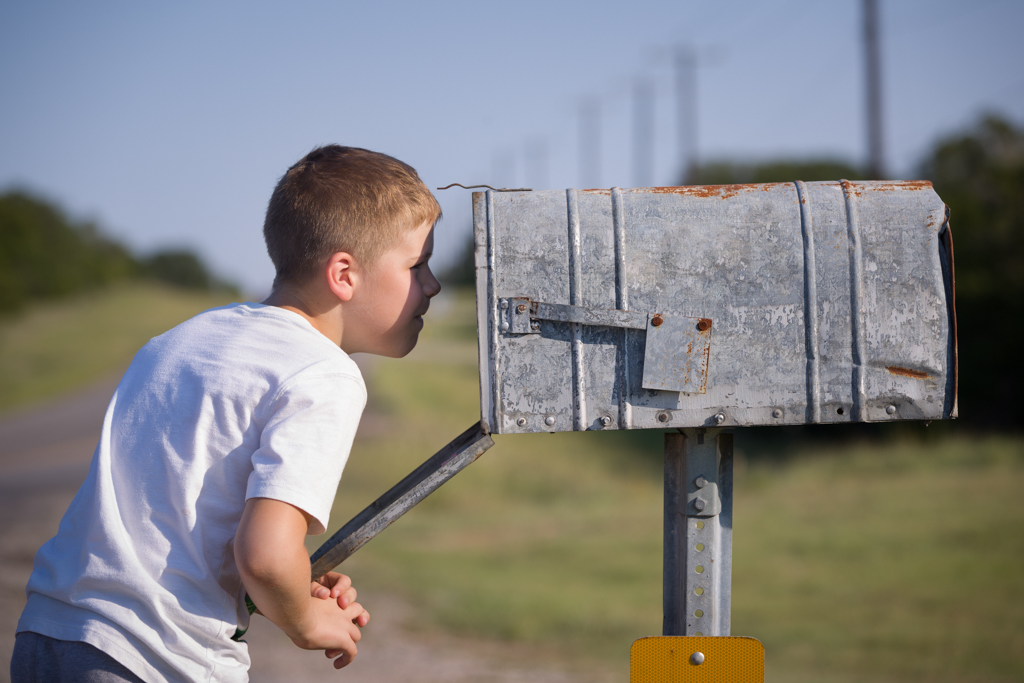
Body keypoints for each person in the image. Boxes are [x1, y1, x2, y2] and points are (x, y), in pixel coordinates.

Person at [12, 145, 443, 682]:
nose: (433, 285)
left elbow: (182, 520)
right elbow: (263, 556)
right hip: (159, 657)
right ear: (344, 274)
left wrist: (290, 585)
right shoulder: (323, 373)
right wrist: (308, 620)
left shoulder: (183, 339)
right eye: (417, 265)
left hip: (51, 633)